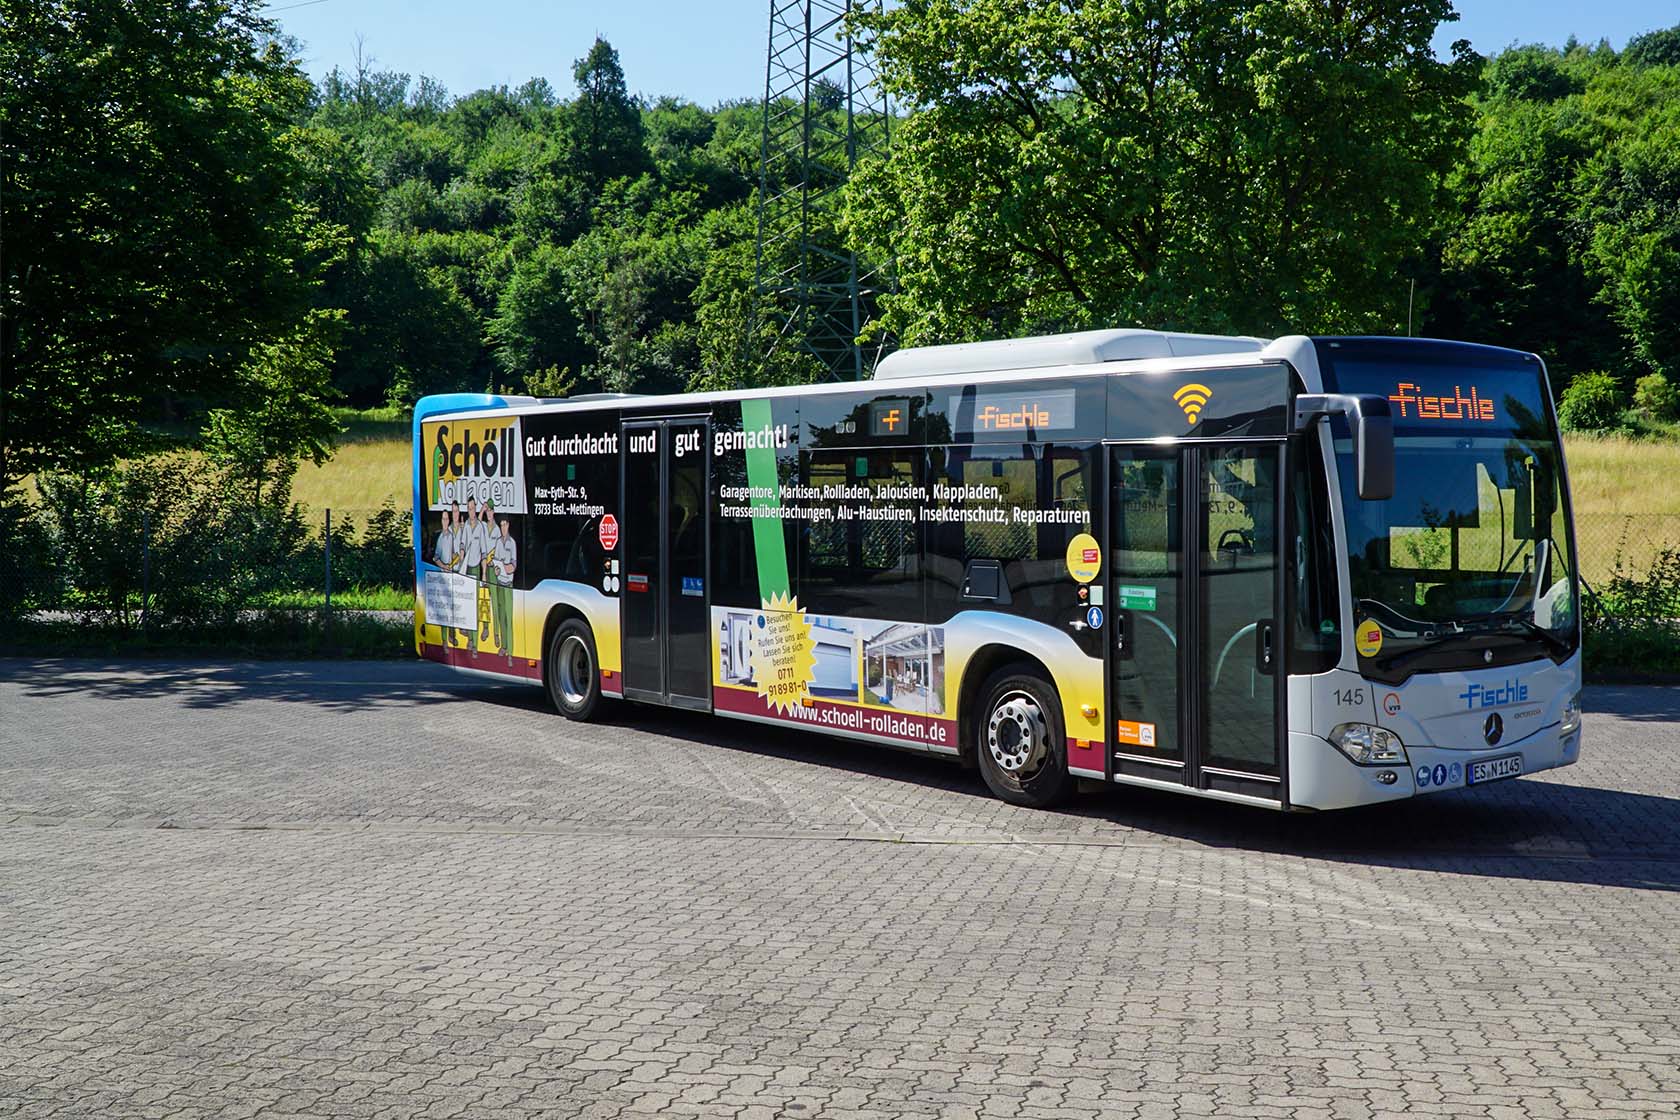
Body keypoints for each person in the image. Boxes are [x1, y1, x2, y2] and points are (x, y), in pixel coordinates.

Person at [491, 517, 518, 662]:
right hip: (499, 583)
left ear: (508, 525)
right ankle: (504, 646)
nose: (502, 528)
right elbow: (496, 560)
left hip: (508, 584)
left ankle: (511, 653)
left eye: (504, 525)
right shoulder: (498, 543)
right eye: (500, 525)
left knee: (508, 618)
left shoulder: (511, 543)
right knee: (501, 617)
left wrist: (508, 568)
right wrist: (496, 569)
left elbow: (514, 564)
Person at [434, 510, 460, 647]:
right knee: (444, 608)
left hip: (452, 575)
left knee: (452, 607)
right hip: (442, 577)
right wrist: (443, 566)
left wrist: (454, 561)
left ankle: (451, 634)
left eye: (446, 519)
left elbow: (456, 554)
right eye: (443, 519)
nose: (445, 521)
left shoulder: (452, 536)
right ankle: (444, 640)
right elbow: (436, 557)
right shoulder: (440, 538)